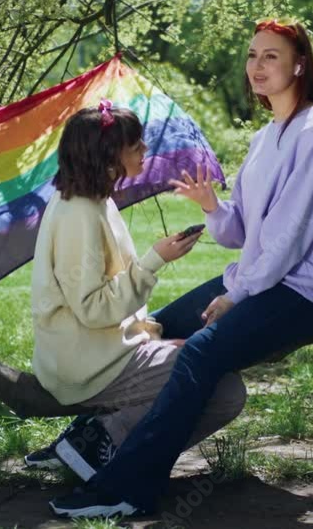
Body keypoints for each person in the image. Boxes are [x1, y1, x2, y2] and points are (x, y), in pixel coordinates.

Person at [49, 17, 313, 518]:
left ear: (300, 65)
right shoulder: (265, 138)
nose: (257, 66)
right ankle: (94, 438)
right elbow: (241, 233)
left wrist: (239, 295)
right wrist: (212, 206)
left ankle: (126, 488)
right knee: (163, 325)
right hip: (260, 278)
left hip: (302, 288)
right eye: (252, 55)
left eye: (272, 56)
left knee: (199, 353)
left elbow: (291, 237)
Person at [25, 100, 248, 482]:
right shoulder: (79, 213)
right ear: (109, 154)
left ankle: (87, 438)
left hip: (101, 350)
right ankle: (107, 447)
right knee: (226, 392)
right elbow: (93, 309)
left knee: (207, 348)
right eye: (135, 145)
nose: (145, 150)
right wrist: (153, 261)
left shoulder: (94, 200)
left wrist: (152, 342)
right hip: (86, 366)